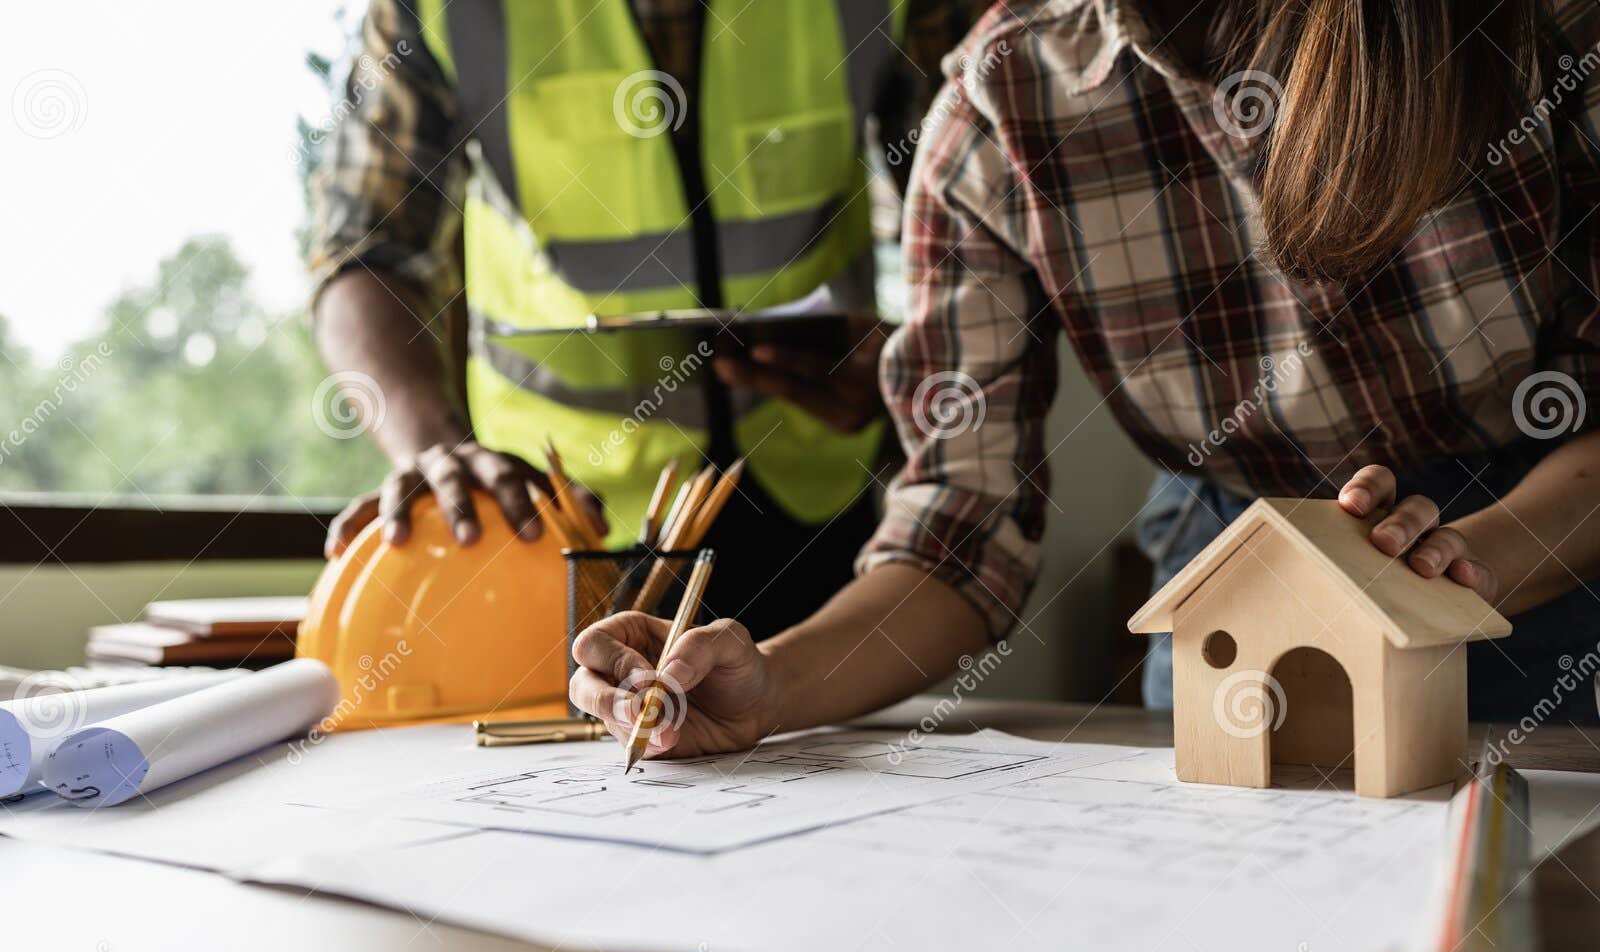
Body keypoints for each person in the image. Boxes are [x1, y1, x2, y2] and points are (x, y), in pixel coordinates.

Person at [571, 0, 1600, 759]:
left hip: (1550, 563)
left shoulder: (1540, 32)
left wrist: (1450, 563)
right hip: (1232, 586)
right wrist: (768, 684)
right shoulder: (995, 105)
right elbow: (957, 535)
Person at [307, 0, 984, 639]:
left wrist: (916, 361)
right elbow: (366, 247)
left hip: (821, 501)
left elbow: (983, 215)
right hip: (564, 519)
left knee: (839, 752)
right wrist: (434, 445)